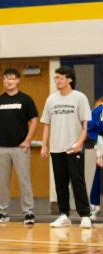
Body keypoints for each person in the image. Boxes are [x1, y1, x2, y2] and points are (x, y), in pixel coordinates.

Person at [40, 66, 91, 229]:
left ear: (69, 79)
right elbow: (46, 124)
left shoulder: (79, 98)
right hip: (56, 148)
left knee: (78, 182)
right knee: (60, 184)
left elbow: (85, 125)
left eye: (60, 77)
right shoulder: (51, 100)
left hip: (73, 148)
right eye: (56, 78)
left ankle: (84, 215)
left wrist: (79, 143)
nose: (57, 81)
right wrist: (44, 145)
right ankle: (64, 215)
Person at [0, 68, 39, 225]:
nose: (7, 82)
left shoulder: (26, 100)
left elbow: (34, 120)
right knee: (2, 182)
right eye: (5, 79)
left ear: (17, 80)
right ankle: (2, 212)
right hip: (1, 148)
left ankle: (28, 212)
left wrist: (28, 140)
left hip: (20, 148)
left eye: (10, 78)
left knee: (24, 180)